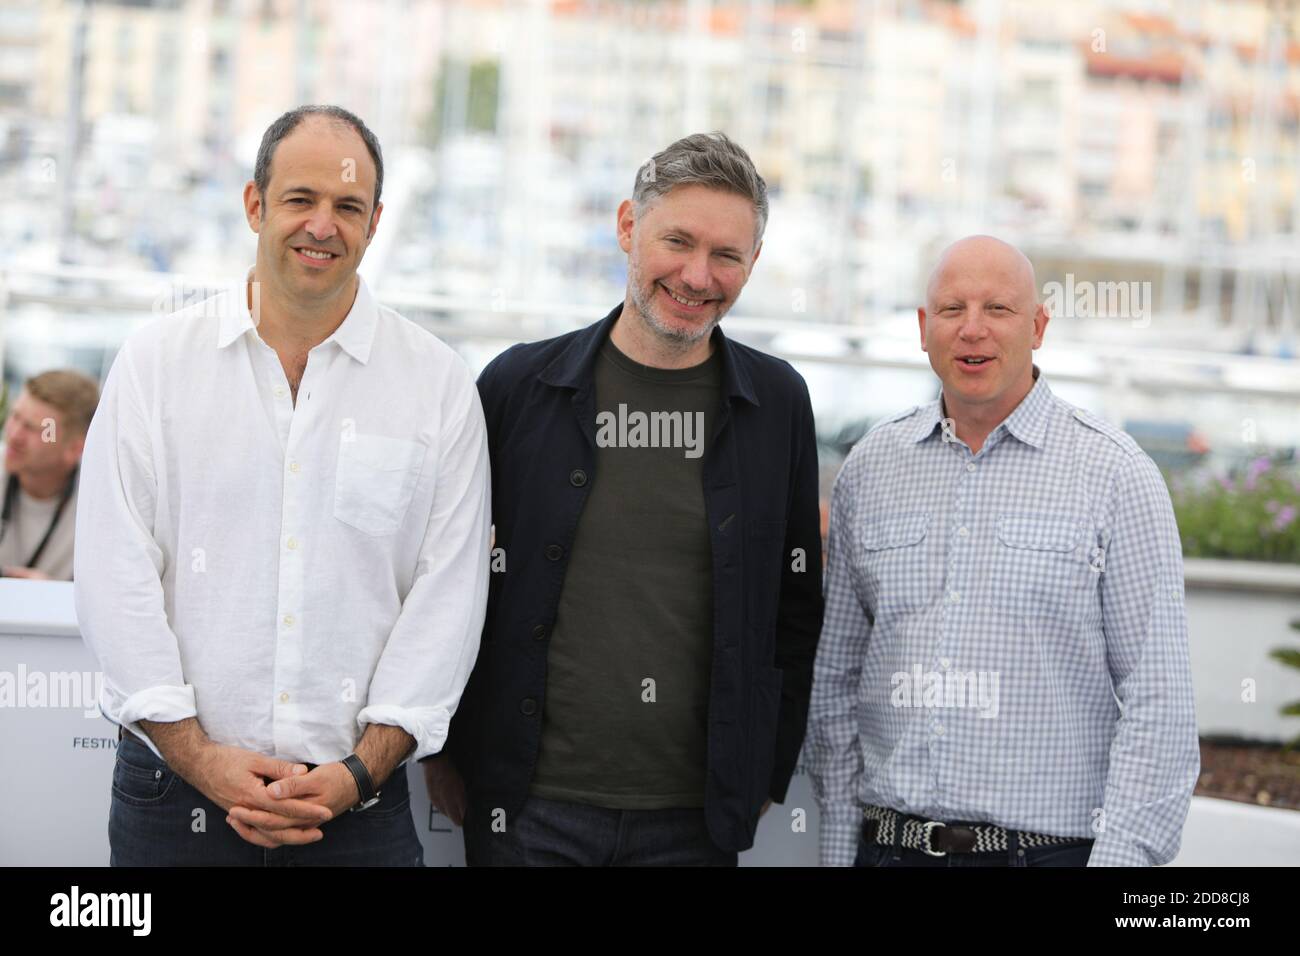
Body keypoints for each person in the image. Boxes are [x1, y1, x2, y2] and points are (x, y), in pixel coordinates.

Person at [75, 105, 491, 866]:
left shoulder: (438, 384)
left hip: (358, 810)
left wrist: (358, 770)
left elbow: (449, 596)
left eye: (348, 206)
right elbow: (113, 572)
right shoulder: (155, 365)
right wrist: (200, 757)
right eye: (301, 199)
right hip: (175, 799)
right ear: (254, 204)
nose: (323, 226)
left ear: (375, 221)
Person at [423, 132, 824, 866]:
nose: (698, 275)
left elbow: (794, 607)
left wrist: (765, 769)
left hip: (694, 822)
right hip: (526, 808)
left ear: (754, 263)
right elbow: (447, 579)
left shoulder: (779, 404)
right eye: (678, 241)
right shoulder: (517, 387)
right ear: (627, 228)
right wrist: (441, 750)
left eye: (727, 255)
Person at [807, 235, 1199, 868]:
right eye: (952, 309)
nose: (972, 330)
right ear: (922, 327)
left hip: (1047, 856)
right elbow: (834, 682)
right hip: (890, 853)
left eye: (998, 309)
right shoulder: (870, 469)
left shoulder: (1115, 474)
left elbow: (1160, 703)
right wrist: (837, 852)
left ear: (1039, 326)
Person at [0, 369, 99, 580]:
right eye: (15, 416)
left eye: (33, 428)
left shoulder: (99, 504)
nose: (14, 434)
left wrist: (52, 594)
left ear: (75, 449)